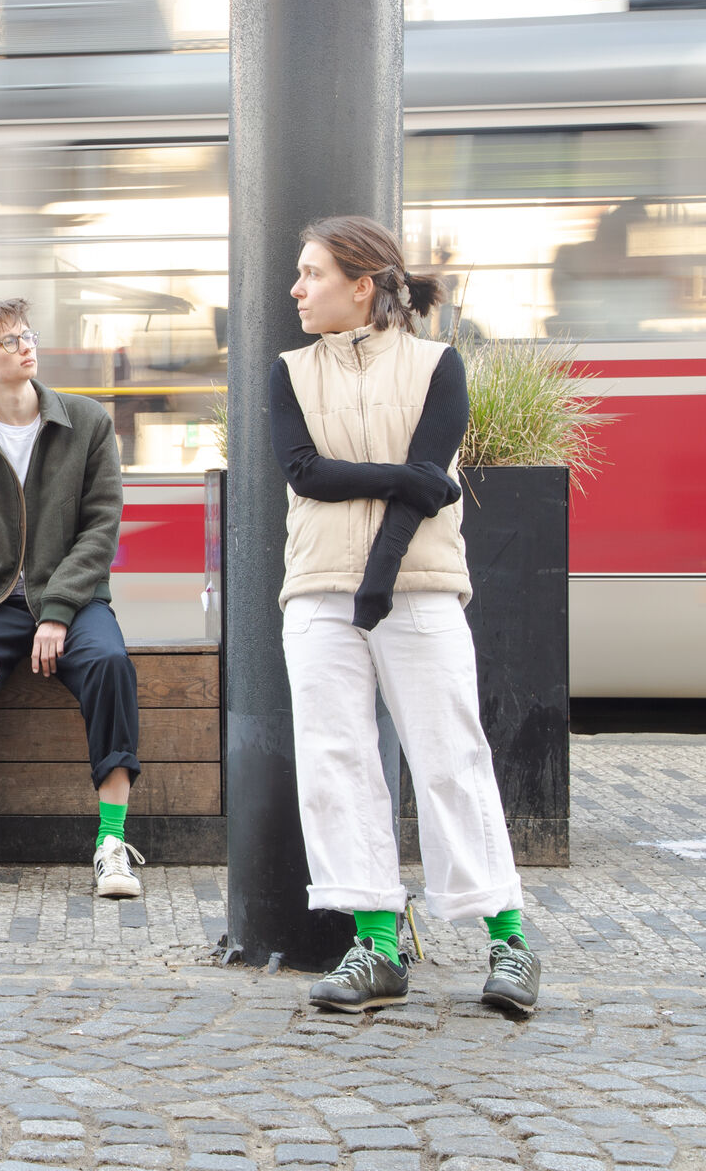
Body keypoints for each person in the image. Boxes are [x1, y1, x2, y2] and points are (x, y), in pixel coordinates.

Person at [271, 214, 538, 1016]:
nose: (296, 288)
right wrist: (404, 479)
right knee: (334, 762)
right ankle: (378, 947)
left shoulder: (437, 366)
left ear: (362, 285)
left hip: (417, 589)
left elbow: (428, 479)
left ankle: (510, 939)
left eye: (311, 273)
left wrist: (381, 576)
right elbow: (309, 473)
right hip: (318, 592)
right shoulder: (289, 371)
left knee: (451, 756)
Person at [0, 298, 142, 908]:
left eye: (27, 336)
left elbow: (100, 528)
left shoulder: (86, 422)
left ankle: (112, 842)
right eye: (9, 342)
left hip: (74, 598)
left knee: (109, 664)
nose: (25, 346)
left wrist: (59, 610)